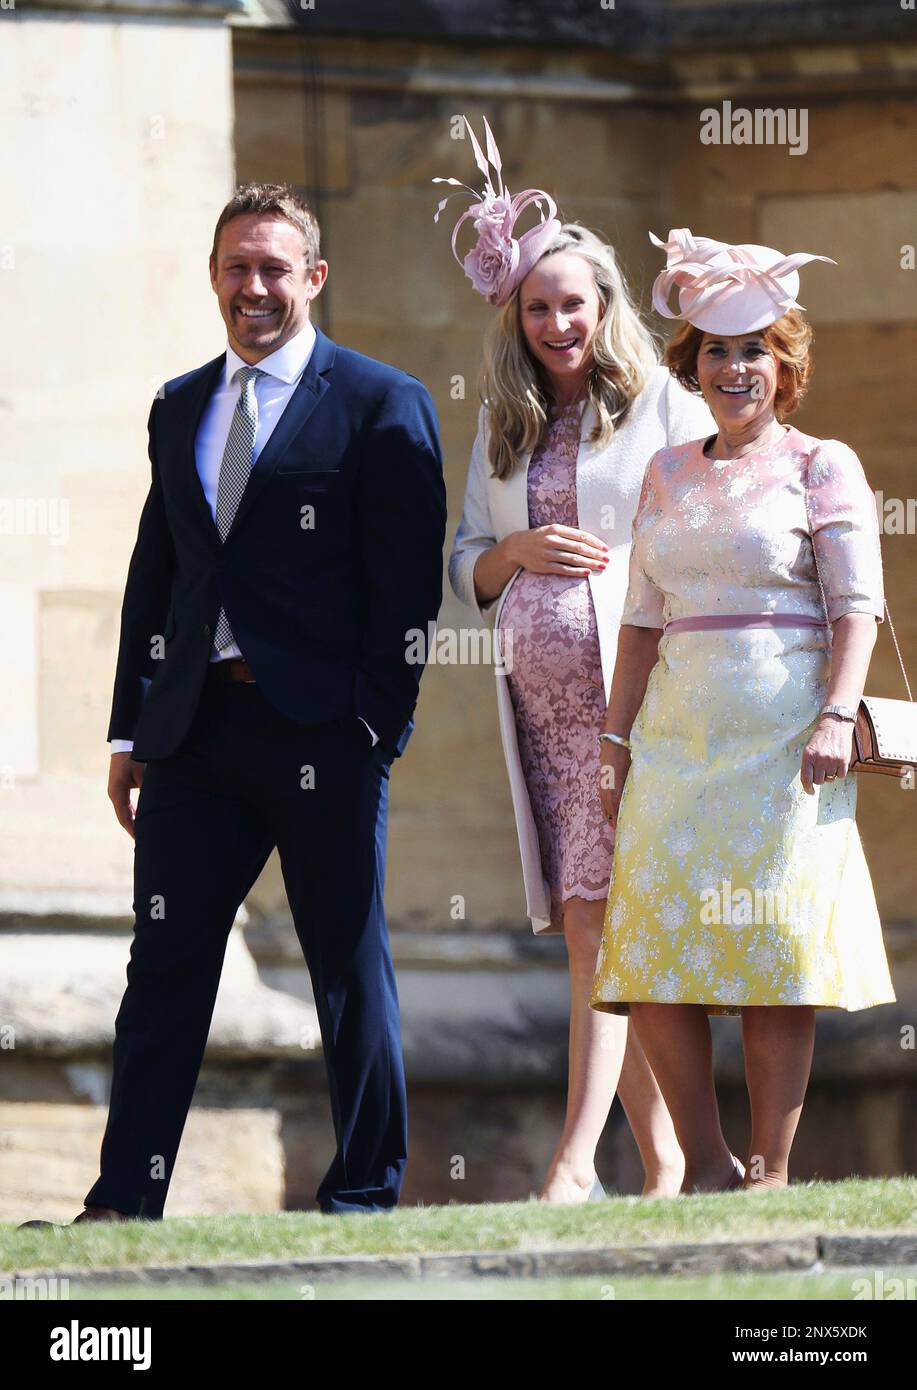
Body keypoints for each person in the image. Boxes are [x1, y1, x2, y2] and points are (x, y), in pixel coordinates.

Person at [21, 182, 446, 1227]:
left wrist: (372, 723)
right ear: (214, 276)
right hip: (192, 735)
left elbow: (406, 586)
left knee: (345, 964)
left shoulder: (379, 399)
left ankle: (363, 1193)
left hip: (320, 732)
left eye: (272, 267)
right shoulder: (180, 404)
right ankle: (124, 1205)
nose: (252, 288)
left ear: (314, 277)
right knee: (162, 969)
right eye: (234, 267)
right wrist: (130, 726)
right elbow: (155, 572)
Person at [591, 227, 896, 1192]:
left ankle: (768, 1169)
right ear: (692, 363)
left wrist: (835, 718)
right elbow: (639, 623)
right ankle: (706, 1165)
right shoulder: (665, 473)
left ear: (784, 362)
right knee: (648, 956)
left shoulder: (823, 464)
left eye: (753, 348)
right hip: (673, 747)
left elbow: (855, 609)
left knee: (771, 957)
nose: (734, 367)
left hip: (784, 751)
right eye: (717, 350)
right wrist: (612, 741)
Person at [444, 120, 714, 1202]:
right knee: (599, 932)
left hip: (628, 714)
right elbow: (462, 564)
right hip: (540, 722)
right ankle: (664, 1169)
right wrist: (511, 552)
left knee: (603, 934)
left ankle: (570, 1166)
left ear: (603, 309)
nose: (556, 321)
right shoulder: (504, 423)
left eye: (573, 302)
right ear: (515, 316)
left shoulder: (657, 406)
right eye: (537, 305)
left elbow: (713, 528)